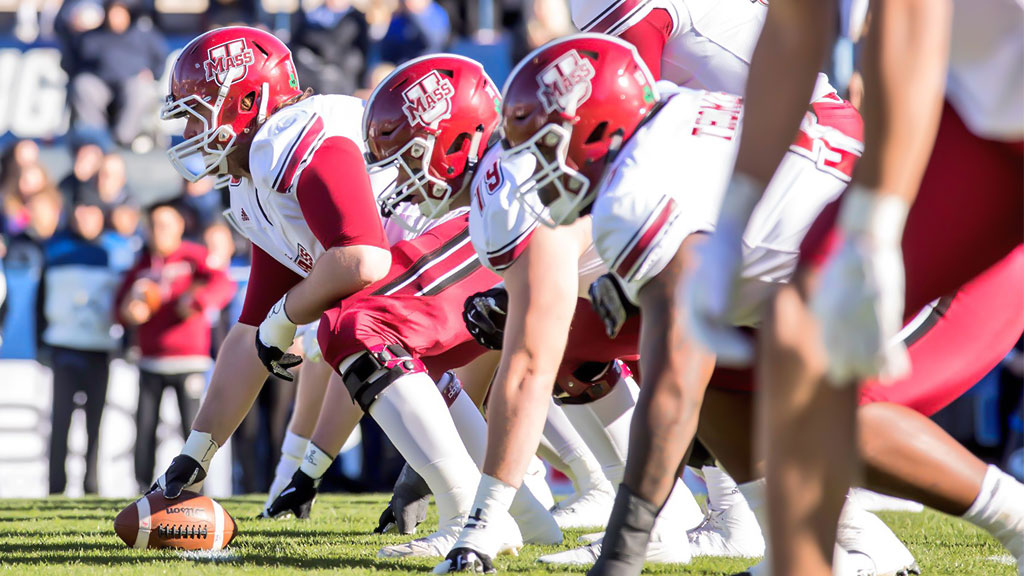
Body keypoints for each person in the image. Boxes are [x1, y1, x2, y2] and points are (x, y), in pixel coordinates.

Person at [495, 34, 1024, 575]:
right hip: (882, 260)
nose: (538, 176)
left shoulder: (633, 192)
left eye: (542, 150)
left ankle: (1018, 522)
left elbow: (675, 384)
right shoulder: (675, 113)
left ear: (597, 124)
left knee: (812, 415)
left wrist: (624, 549)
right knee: (723, 380)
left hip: (951, 274)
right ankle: (815, 556)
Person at [148, 31, 530, 563]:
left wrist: (285, 321)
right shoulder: (253, 179)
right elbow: (250, 332)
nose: (189, 132)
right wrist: (194, 457)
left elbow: (362, 262)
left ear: (248, 102)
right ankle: (527, 513)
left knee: (353, 326)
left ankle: (474, 512)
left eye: (197, 113)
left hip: (481, 233)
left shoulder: (287, 138)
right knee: (369, 332)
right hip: (446, 266)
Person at [683, 0, 1024, 573]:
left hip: (982, 112)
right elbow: (793, 33)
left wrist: (876, 222)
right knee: (801, 334)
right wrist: (734, 215)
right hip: (987, 121)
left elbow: (911, 20)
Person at [115, 199, 236, 492]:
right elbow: (120, 307)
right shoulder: (142, 265)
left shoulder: (194, 257)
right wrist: (129, 312)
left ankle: (196, 490)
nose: (159, 232)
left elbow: (224, 284)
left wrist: (196, 301)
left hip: (189, 360)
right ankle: (143, 488)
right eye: (154, 226)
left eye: (166, 225)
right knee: (144, 429)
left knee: (193, 431)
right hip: (150, 361)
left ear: (180, 227)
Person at [41, 188, 123, 495]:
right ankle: (56, 486)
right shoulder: (55, 251)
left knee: (94, 425)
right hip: (64, 348)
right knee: (60, 421)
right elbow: (41, 300)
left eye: (92, 212)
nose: (85, 218)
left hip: (99, 350)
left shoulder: (113, 252)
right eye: (80, 212)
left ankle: (91, 485)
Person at [64, 0, 168, 147]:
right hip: (101, 86)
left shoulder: (144, 35)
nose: (115, 17)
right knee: (83, 85)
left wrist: (153, 74)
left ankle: (123, 138)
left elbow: (160, 60)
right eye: (112, 13)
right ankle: (96, 139)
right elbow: (72, 63)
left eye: (120, 13)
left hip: (132, 84)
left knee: (141, 88)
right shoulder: (91, 37)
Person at [292, 0, 369, 96]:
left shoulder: (355, 19)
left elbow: (331, 51)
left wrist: (312, 38)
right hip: (309, 79)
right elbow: (295, 42)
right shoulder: (312, 15)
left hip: (340, 83)